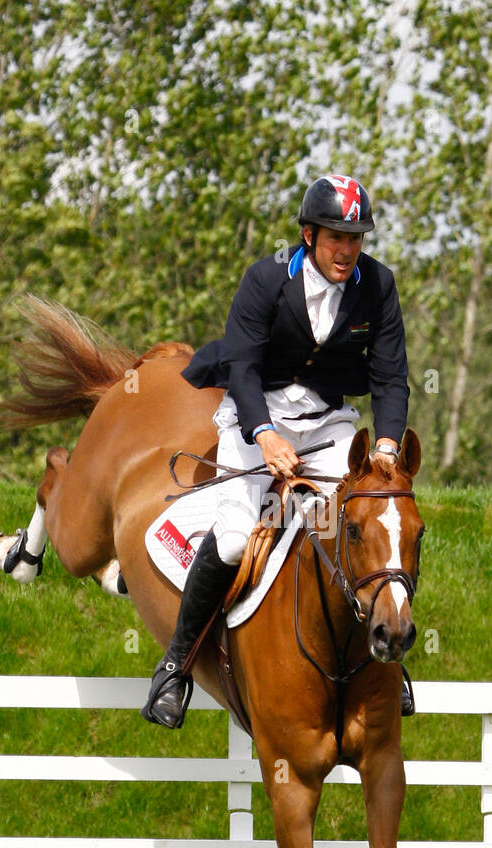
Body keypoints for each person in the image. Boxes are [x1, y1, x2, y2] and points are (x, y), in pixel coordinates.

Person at [141, 173, 411, 729]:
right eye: (337, 237)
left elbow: (391, 378)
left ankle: (386, 652)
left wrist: (385, 446)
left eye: (356, 238)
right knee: (240, 534)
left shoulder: (378, 287)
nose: (347, 250)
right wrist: (264, 435)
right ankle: (176, 665)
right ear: (308, 235)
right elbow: (242, 368)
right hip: (255, 413)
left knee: (359, 521)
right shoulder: (265, 279)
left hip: (328, 423)